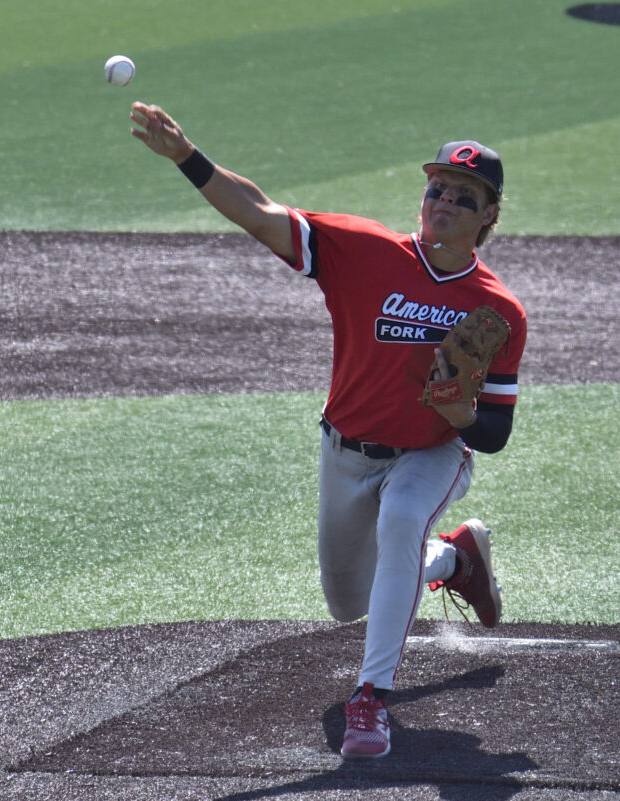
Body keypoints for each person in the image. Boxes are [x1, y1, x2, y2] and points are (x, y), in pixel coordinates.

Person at [129, 102, 527, 759]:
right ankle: (456, 558)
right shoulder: (363, 252)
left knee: (402, 516)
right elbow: (260, 213)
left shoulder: (499, 309)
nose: (444, 200)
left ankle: (370, 697)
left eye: (465, 195)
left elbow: (494, 432)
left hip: (431, 453)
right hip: (345, 449)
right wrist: (186, 157)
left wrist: (457, 410)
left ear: (489, 215)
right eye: (436, 188)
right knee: (351, 602)